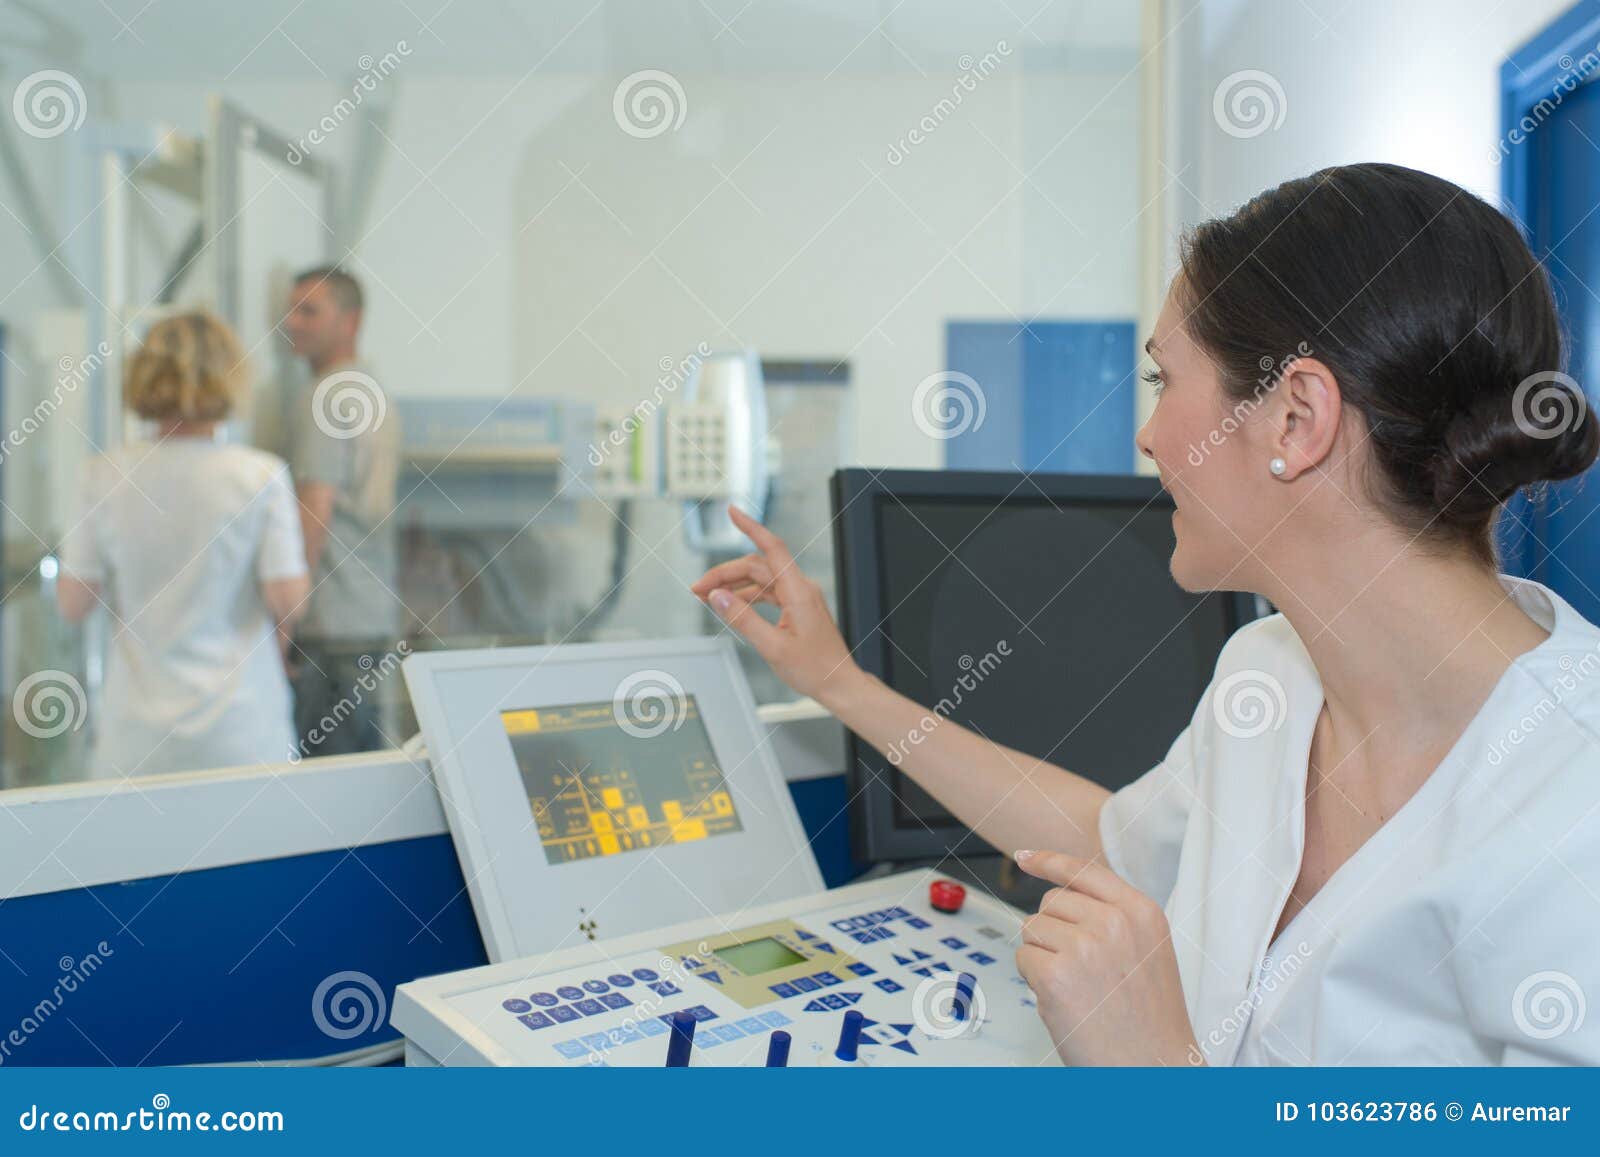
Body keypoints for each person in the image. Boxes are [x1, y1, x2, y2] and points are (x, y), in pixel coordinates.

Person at [691, 163, 1600, 1066]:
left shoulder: (1573, 793)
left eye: (1164, 380)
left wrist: (1159, 1077)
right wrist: (837, 683)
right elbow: (1114, 846)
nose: (1149, 434)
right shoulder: (1269, 674)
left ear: (1295, 420)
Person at [57, 312, 310, 778]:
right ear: (230, 378)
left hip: (136, 739)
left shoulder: (103, 475)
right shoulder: (260, 475)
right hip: (241, 731)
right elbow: (288, 601)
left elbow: (74, 602)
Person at [269, 265, 402, 756]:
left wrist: (286, 623)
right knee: (361, 784)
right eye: (291, 310)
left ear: (351, 321)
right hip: (366, 622)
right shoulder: (370, 390)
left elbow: (314, 510)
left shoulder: (325, 396)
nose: (293, 322)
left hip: (328, 628)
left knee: (326, 790)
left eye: (310, 311)